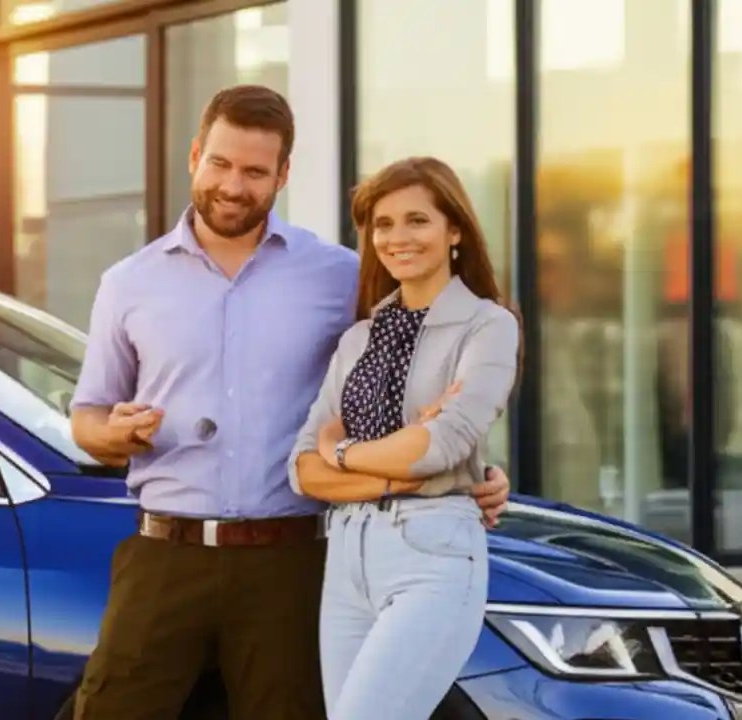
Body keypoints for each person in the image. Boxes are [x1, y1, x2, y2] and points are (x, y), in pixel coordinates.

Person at [69, 86, 512, 720]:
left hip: (293, 562)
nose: (233, 185)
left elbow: (413, 375)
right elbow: (87, 414)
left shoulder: (338, 276)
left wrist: (473, 469)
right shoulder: (128, 283)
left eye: (254, 171)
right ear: (196, 156)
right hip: (163, 556)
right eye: (221, 163)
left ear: (282, 175)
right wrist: (107, 435)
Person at [290, 156, 521, 720]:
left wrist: (341, 453)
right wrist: (394, 466)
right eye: (383, 224)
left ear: (455, 230)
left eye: (417, 220)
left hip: (432, 553)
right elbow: (301, 469)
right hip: (347, 557)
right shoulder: (358, 340)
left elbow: (441, 448)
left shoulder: (487, 326)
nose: (397, 238)